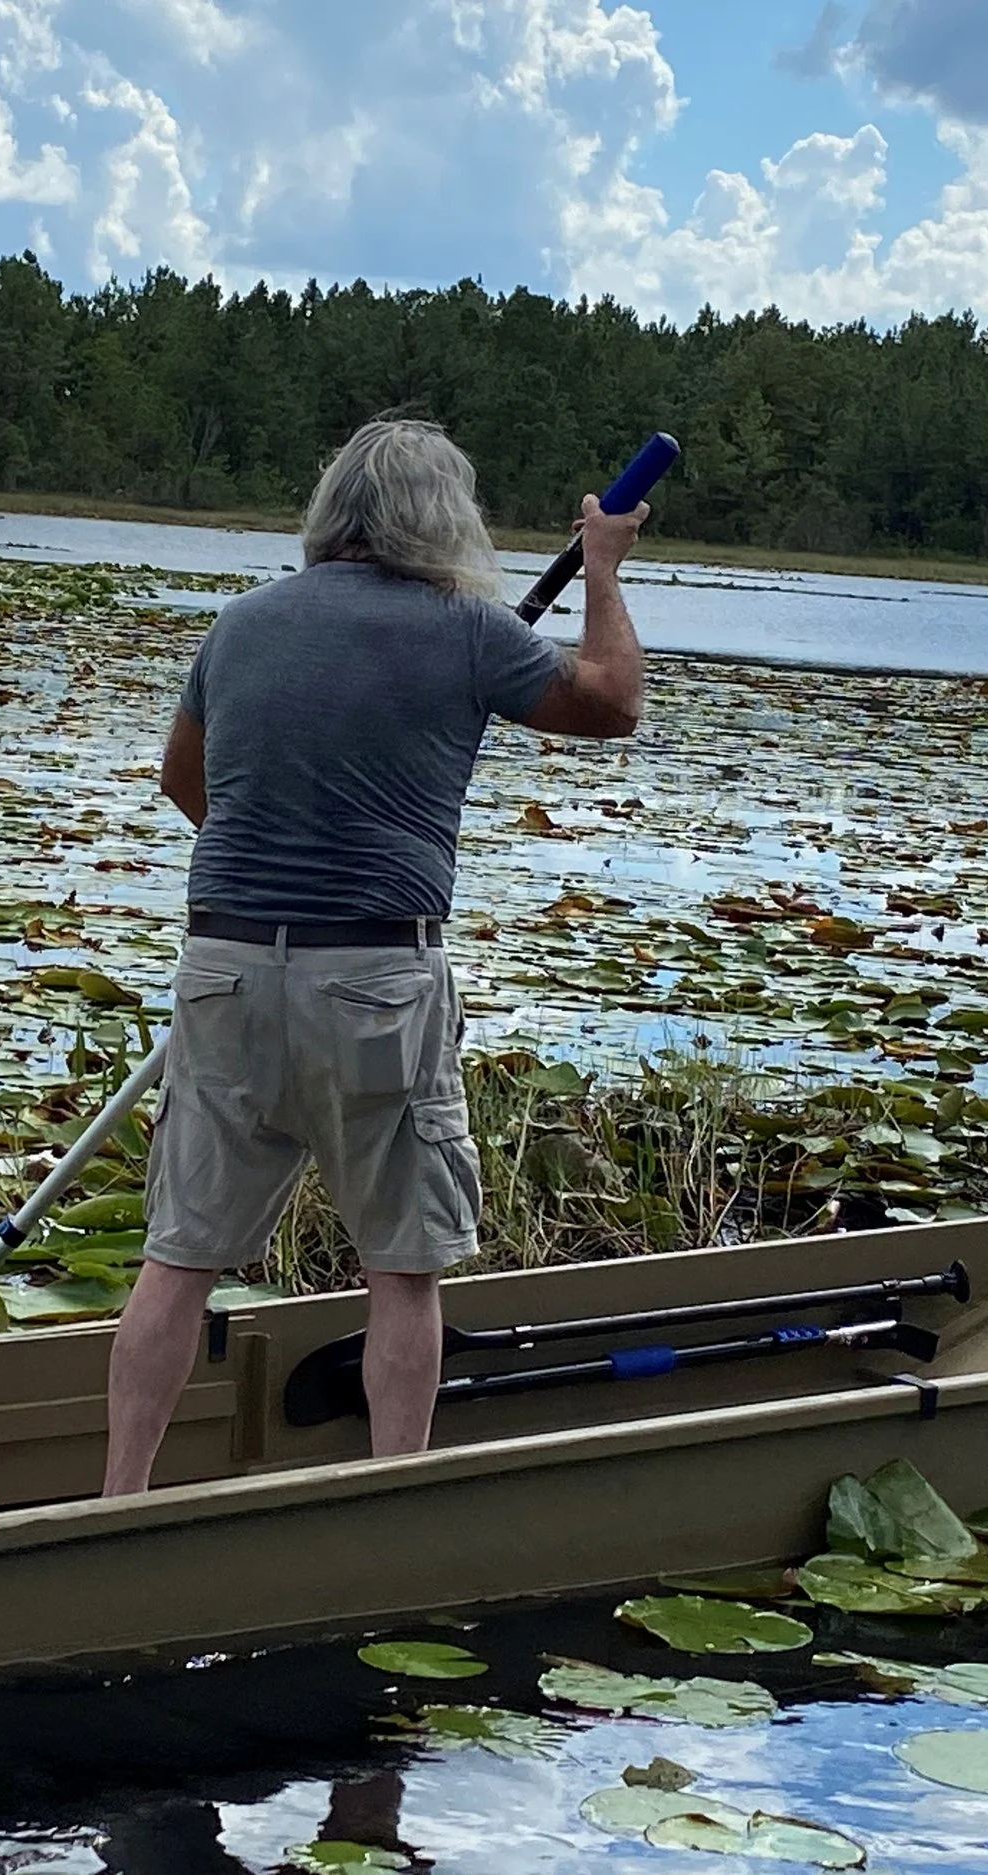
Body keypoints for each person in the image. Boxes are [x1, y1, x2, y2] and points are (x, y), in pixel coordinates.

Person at [100, 417, 648, 1495]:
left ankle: (118, 1501)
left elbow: (181, 782)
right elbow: (614, 702)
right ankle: (389, 1497)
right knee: (403, 1266)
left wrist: (278, 864)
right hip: (375, 981)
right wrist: (600, 564)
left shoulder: (244, 623)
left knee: (178, 1259)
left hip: (227, 966)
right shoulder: (466, 629)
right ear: (445, 521)